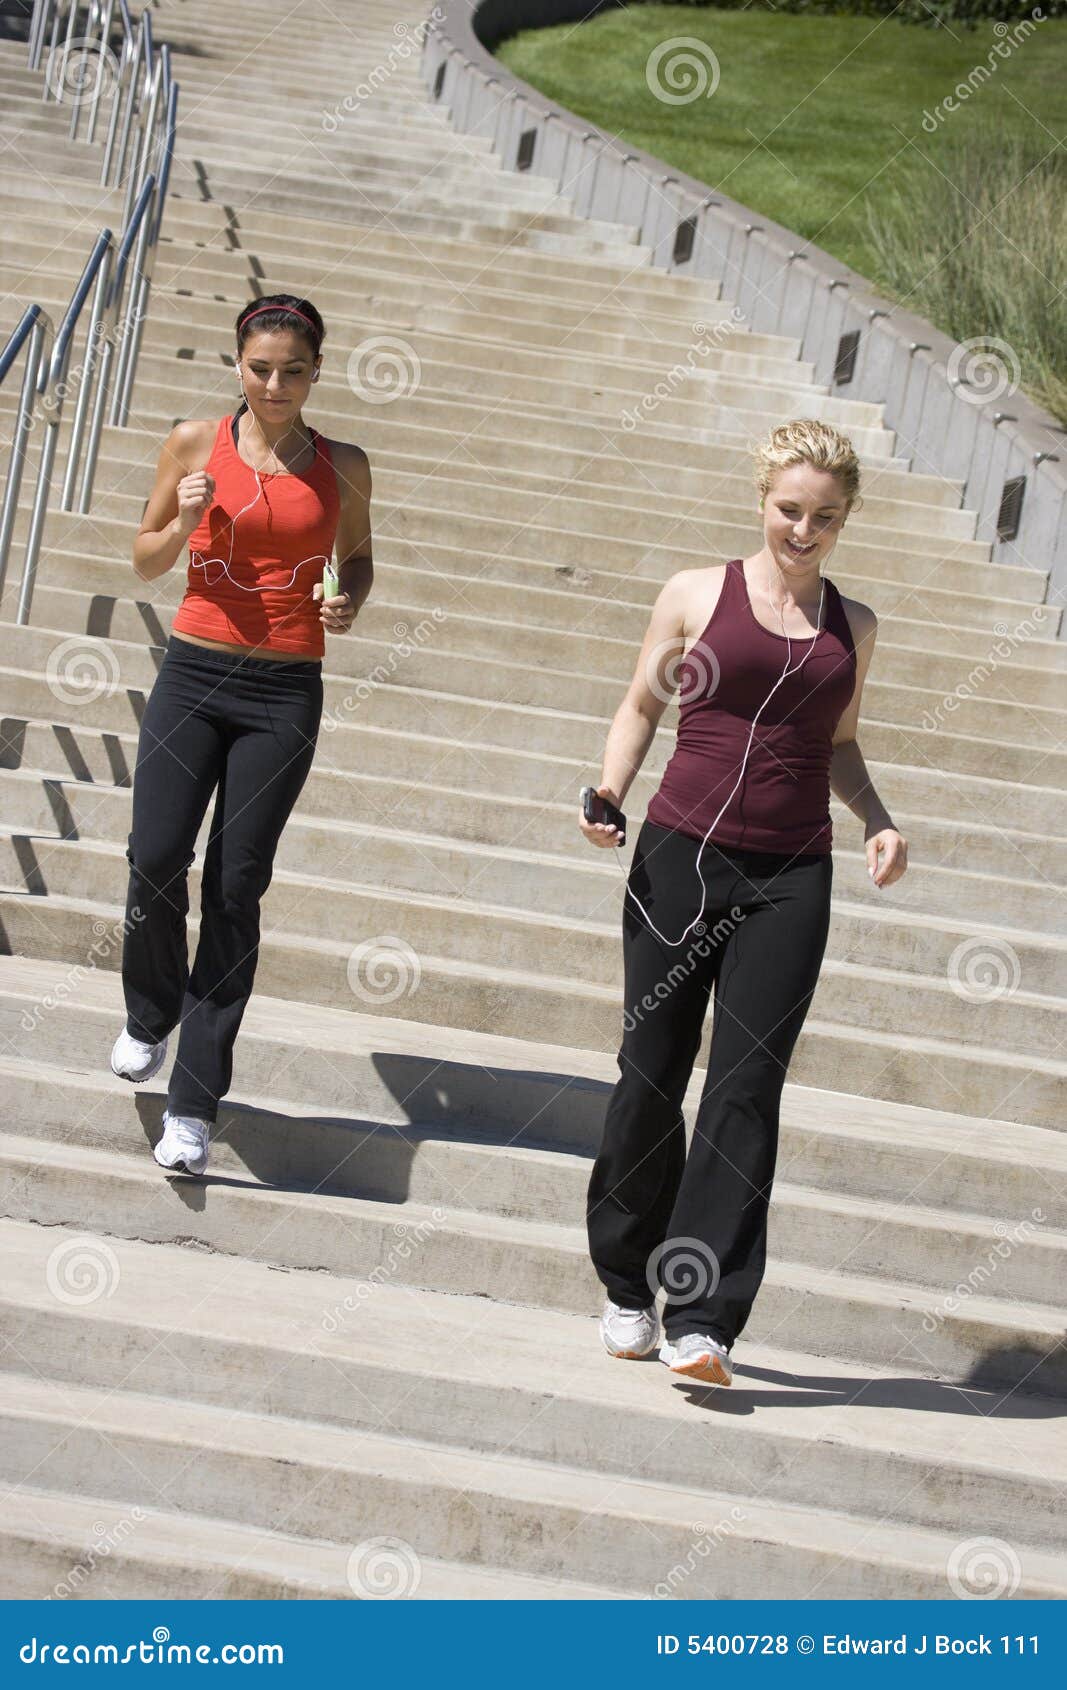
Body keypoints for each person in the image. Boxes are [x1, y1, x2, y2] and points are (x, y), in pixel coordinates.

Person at [581, 417, 908, 1387]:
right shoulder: (693, 594)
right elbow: (642, 703)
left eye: (823, 518)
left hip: (790, 876)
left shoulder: (854, 627)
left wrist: (877, 819)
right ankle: (626, 1286)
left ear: (844, 520)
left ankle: (703, 1317)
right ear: (762, 500)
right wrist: (608, 791)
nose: (802, 531)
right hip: (679, 859)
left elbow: (837, 743)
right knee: (649, 1074)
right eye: (788, 510)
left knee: (744, 1089)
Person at [109, 292, 373, 1176]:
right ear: (238, 366)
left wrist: (348, 599)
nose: (275, 385)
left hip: (284, 690)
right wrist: (185, 521)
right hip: (192, 673)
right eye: (260, 369)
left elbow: (359, 557)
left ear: (316, 373)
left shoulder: (343, 465)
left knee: (235, 887)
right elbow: (144, 559)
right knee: (154, 857)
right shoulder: (194, 443)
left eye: (293, 371)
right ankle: (150, 1014)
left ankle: (193, 1103)